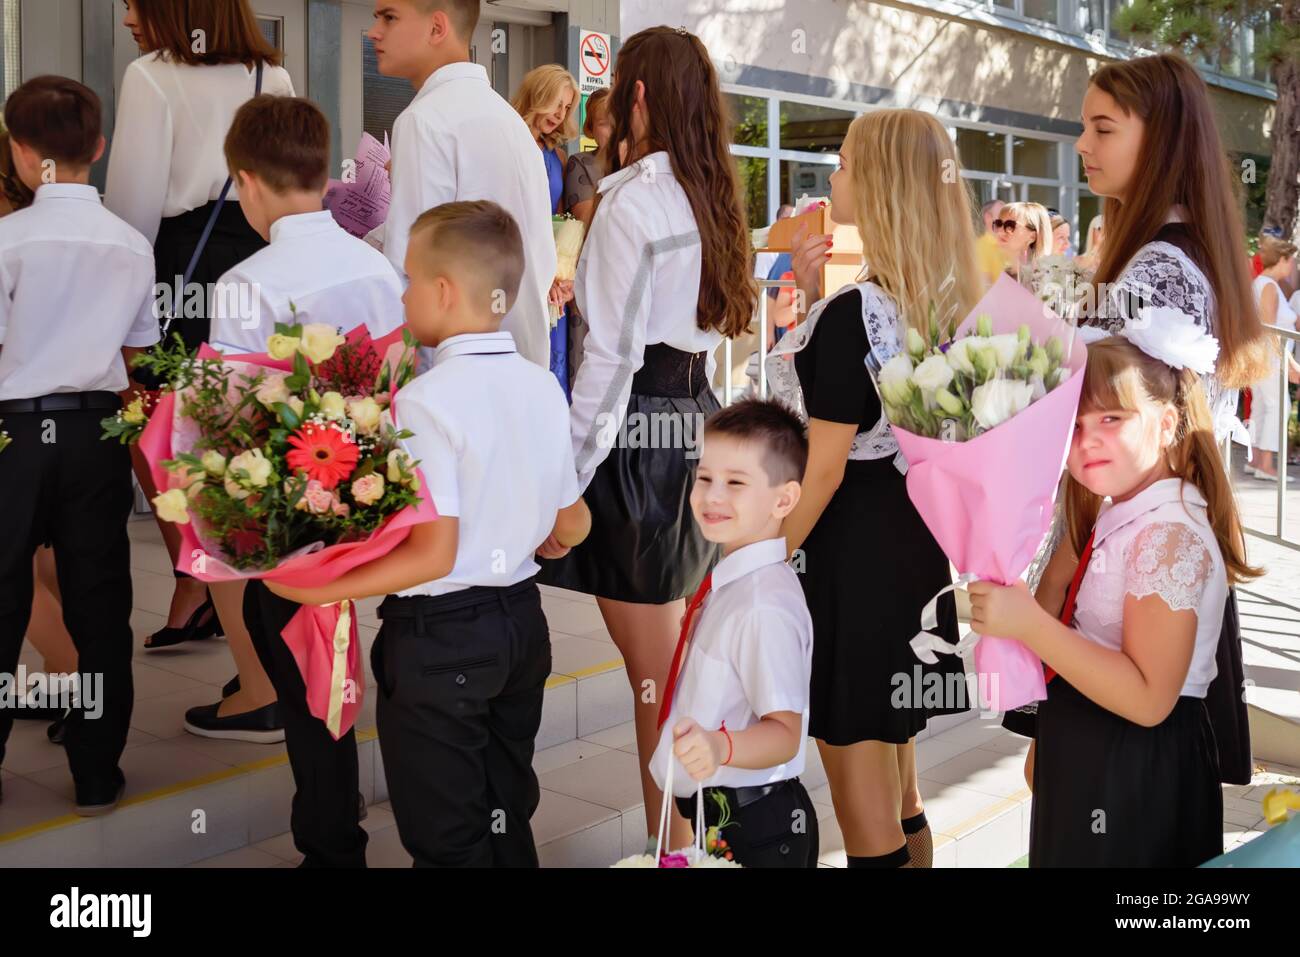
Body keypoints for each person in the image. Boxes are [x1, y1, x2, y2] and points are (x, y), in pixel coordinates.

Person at [270, 201, 590, 866]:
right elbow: (572, 522)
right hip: (521, 626)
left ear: (444, 291)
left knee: (448, 839)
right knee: (505, 814)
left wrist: (322, 587)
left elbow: (434, 553)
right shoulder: (540, 384)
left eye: (410, 278)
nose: (402, 293)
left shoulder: (426, 399)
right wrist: (531, 527)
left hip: (443, 640)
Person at [1023, 52, 1273, 789]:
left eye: (1103, 128)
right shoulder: (1180, 248)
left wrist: (1050, 592)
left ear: (1160, 137)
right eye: (1084, 127)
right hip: (1151, 559)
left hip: (1133, 571)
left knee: (1099, 795)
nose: (1083, 144)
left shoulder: (1158, 270)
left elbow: (1118, 440)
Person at [538, 26, 757, 851]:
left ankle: (682, 849)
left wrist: (562, 479)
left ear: (635, 95)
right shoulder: (710, 192)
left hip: (641, 446)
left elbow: (612, 360)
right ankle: (696, 843)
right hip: (699, 429)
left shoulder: (636, 201)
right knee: (680, 678)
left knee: (660, 689)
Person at [774, 109, 982, 868]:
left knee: (864, 810)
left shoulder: (857, 311)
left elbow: (824, 467)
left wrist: (756, 561)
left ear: (882, 184)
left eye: (846, 163)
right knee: (900, 785)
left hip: (852, 561)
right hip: (914, 548)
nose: (833, 176)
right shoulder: (946, 298)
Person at [971, 334, 1259, 867]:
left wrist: (1028, 624)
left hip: (1132, 771)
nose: (1088, 441)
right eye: (1075, 425)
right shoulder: (1124, 513)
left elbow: (1149, 698)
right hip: (1097, 757)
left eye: (1112, 419)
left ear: (1167, 424)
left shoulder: (1167, 535)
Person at [183, 95, 406, 742]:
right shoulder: (377, 265)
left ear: (245, 181)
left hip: (290, 502)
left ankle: (273, 699)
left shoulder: (248, 280)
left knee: (258, 597)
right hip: (373, 482)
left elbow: (227, 415)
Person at [106, 0, 295, 652]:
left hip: (179, 266)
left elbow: (131, 212)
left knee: (159, 428)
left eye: (134, 4)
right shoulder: (270, 77)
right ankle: (247, 603)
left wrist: (120, 318)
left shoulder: (151, 75)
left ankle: (198, 581)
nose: (128, 19)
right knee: (247, 438)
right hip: (260, 266)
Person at [0, 76, 159, 814]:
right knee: (100, 603)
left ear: (20, 151)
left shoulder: (7, 240)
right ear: (98, 147)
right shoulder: (131, 244)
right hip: (97, 431)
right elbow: (138, 355)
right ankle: (96, 771)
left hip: (14, 433)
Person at [651, 399, 818, 868]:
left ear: (783, 500)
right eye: (704, 477)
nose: (712, 496)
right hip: (723, 816)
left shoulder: (762, 604)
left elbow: (785, 734)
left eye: (736, 483)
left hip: (758, 827)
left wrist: (718, 746)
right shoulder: (734, 583)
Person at [370, 0, 556, 370]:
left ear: (437, 28)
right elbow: (541, 256)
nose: (375, 32)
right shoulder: (509, 120)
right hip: (523, 362)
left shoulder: (424, 120)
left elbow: (408, 269)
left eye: (389, 17)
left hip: (453, 369)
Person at [512, 64, 581, 396]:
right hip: (519, 274)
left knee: (553, 373)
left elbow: (560, 222)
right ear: (537, 95)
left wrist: (564, 277)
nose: (560, 113)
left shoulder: (559, 157)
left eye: (566, 107)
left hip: (553, 287)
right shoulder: (510, 141)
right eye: (556, 102)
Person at [561, 87, 612, 385]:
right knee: (587, 369)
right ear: (591, 128)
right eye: (605, 123)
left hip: (626, 280)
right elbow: (588, 221)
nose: (614, 130)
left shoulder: (639, 167)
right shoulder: (582, 164)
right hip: (590, 278)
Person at [1247, 236, 1300, 482]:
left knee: (1262, 406)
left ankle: (1255, 459)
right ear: (1283, 260)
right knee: (1278, 406)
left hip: (1263, 357)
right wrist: (1289, 361)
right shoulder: (1268, 286)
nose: (1293, 267)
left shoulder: (1262, 284)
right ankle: (1266, 464)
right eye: (1292, 261)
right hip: (1270, 358)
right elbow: (1270, 330)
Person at [994, 201, 1053, 276]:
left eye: (1010, 226)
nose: (1000, 232)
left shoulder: (1045, 277)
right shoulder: (1000, 273)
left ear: (1033, 236)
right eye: (998, 224)